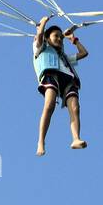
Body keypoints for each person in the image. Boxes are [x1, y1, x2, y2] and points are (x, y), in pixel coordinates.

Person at [33, 16, 89, 155]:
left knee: (75, 108)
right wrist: (43, 24)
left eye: (60, 37)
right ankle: (41, 141)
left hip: (68, 81)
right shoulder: (41, 48)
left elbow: (84, 53)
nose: (59, 38)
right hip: (51, 76)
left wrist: (73, 39)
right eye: (55, 36)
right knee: (50, 105)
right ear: (47, 38)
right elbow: (40, 36)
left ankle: (76, 139)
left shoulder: (64, 57)